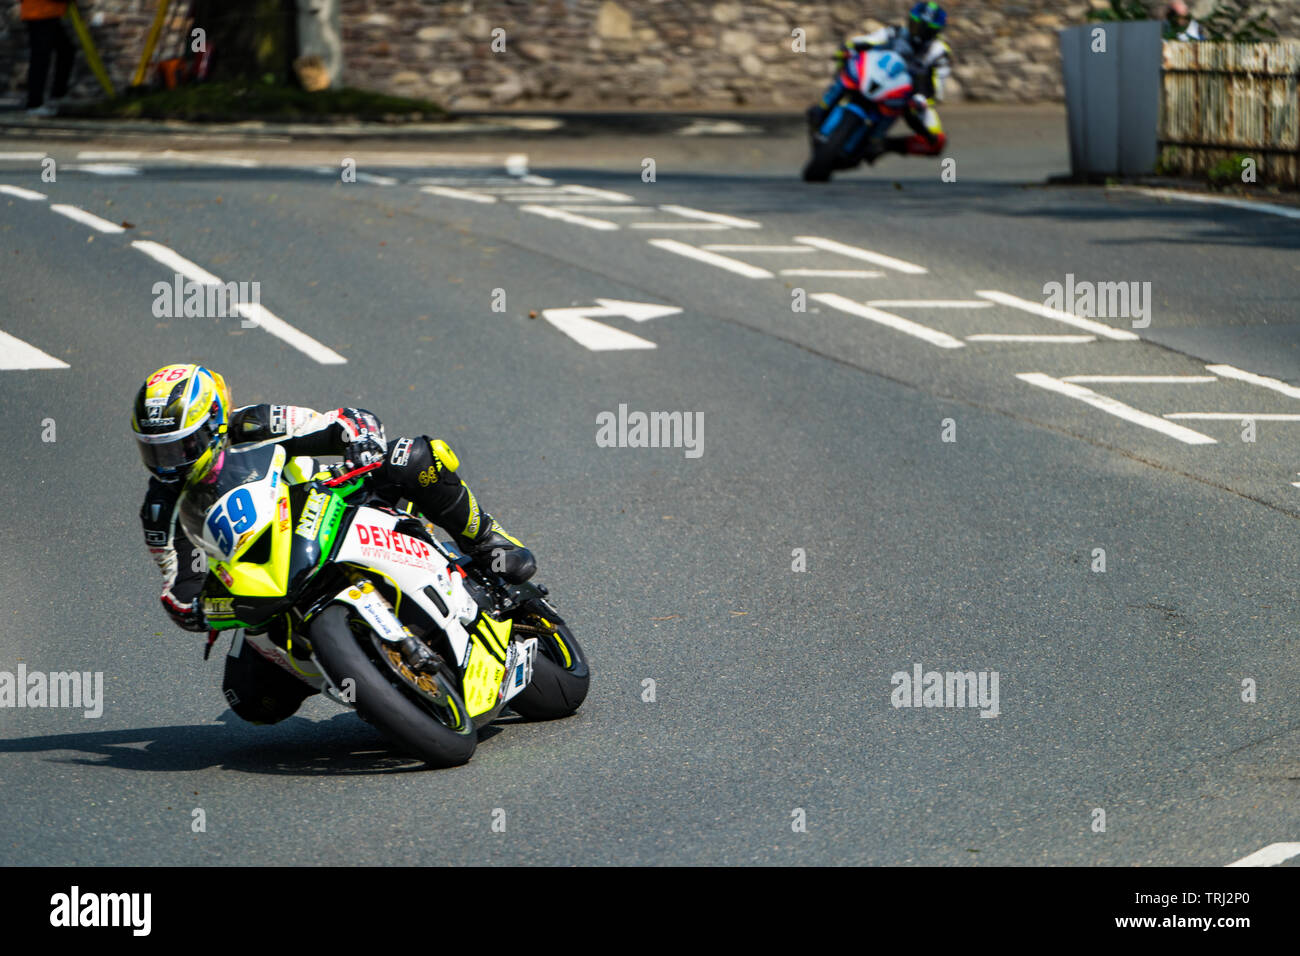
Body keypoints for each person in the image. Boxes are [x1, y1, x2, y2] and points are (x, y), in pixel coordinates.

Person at [131, 364, 536, 724]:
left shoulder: (256, 423)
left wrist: (359, 441)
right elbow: (179, 582)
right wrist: (195, 609)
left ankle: (486, 540)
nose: (170, 463)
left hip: (332, 504)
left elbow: (342, 421)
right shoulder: (160, 508)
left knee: (410, 456)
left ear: (213, 422)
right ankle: (365, 676)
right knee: (253, 702)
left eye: (179, 447)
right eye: (155, 451)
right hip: (268, 578)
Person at [808, 2, 952, 160]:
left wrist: (922, 99)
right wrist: (849, 49)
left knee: (935, 142)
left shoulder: (940, 53)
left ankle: (885, 144)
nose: (919, 34)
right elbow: (867, 41)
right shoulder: (895, 33)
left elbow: (938, 86)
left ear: (936, 32)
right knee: (847, 69)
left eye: (927, 30)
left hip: (910, 93)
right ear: (910, 22)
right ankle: (822, 109)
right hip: (878, 77)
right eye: (917, 26)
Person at [21, 0, 75, 117]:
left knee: (65, 51)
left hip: (45, 12)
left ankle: (57, 95)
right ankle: (34, 104)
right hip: (39, 13)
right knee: (40, 58)